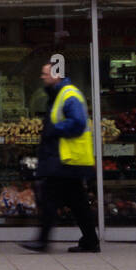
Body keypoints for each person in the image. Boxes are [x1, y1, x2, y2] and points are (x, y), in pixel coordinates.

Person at [22, 61, 100, 254]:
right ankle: (91, 241)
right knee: (77, 202)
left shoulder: (69, 95)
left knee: (49, 199)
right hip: (66, 160)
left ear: (57, 75)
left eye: (45, 73)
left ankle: (42, 241)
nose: (42, 77)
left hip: (65, 159)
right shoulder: (59, 94)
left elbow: (78, 123)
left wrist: (54, 129)